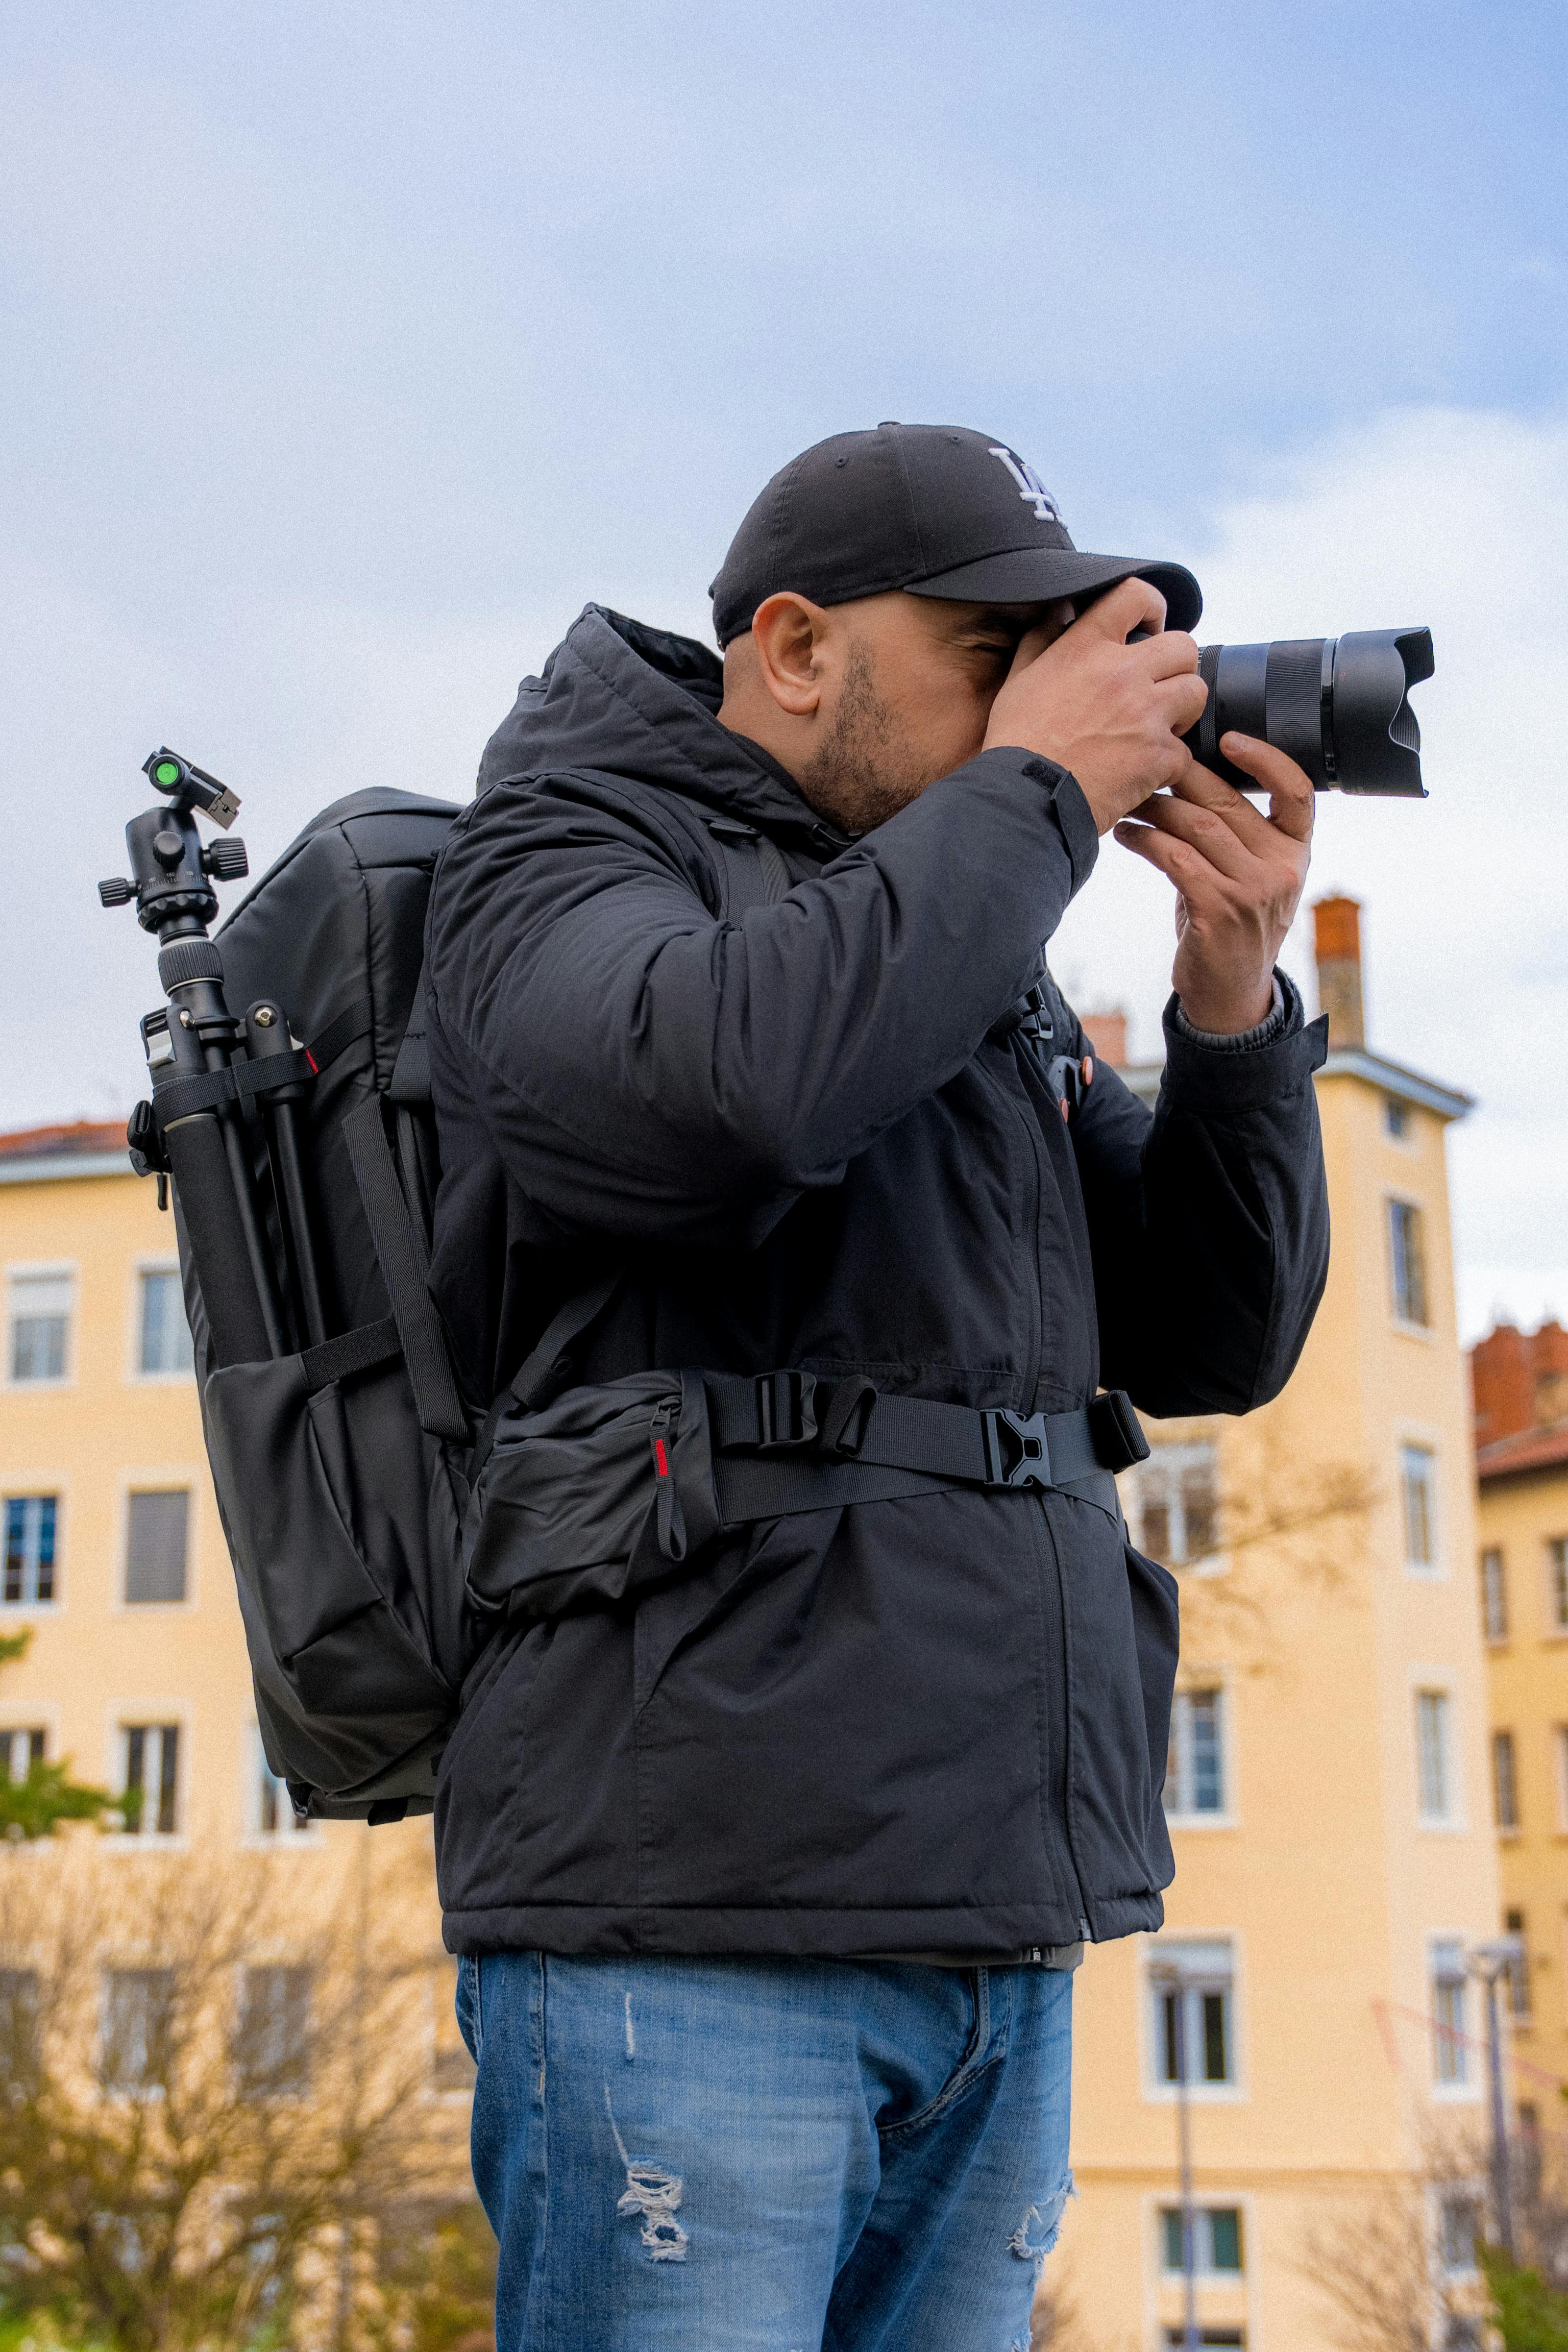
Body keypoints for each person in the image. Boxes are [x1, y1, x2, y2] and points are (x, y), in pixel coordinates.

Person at [425, 423, 1330, 2351]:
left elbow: (1211, 1338)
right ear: (797, 645)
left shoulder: (957, 943)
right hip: (692, 1912)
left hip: (999, 1909)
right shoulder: (567, 853)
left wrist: (1233, 1005)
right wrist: (1023, 802)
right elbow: (723, 1095)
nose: (1049, 701)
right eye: (993, 652)